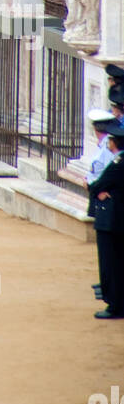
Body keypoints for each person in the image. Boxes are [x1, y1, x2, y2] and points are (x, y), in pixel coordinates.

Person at [88, 120, 124, 319]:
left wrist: (97, 189)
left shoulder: (118, 164)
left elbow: (96, 185)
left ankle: (114, 304)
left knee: (111, 263)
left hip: (112, 221)